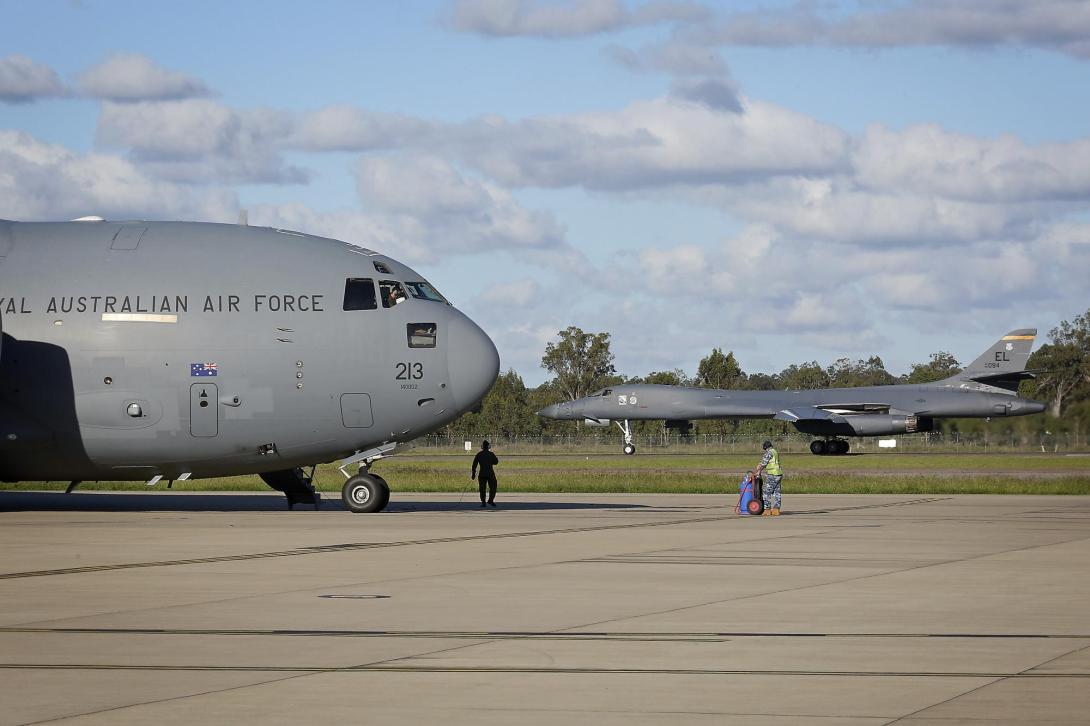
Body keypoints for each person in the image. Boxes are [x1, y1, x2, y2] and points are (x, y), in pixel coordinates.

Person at [754, 440, 783, 516]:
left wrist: (758, 470)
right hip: (778, 474)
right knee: (777, 492)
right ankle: (776, 509)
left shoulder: (769, 452)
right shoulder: (774, 451)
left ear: (765, 447)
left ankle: (767, 509)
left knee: (766, 492)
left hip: (772, 475)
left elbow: (763, 463)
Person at [471, 440, 500, 508]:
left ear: (482, 447)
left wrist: (473, 473)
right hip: (490, 473)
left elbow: (474, 464)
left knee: (482, 489)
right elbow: (496, 462)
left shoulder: (479, 454)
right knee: (493, 487)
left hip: (482, 473)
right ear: (488, 447)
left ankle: (483, 502)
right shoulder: (491, 454)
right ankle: (490, 500)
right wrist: (490, 462)